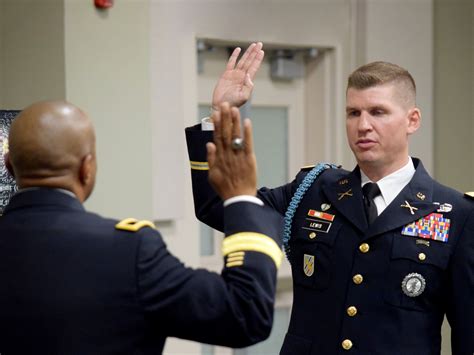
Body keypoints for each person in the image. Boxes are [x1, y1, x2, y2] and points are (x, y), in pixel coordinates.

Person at [185, 43, 474, 354]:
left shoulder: (455, 213)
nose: (363, 125)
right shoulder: (312, 190)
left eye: (378, 112)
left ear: (412, 120)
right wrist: (219, 116)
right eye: (353, 113)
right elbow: (220, 207)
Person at [0, 100, 284, 354]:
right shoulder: (127, 251)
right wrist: (241, 196)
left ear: (9, 165)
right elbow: (244, 314)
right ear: (87, 168)